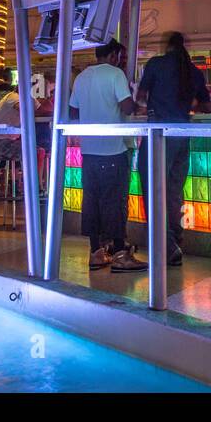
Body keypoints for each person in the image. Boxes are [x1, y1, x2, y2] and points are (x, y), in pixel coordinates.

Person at [71, 40, 146, 273]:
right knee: (114, 203)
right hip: (113, 149)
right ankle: (121, 254)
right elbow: (126, 108)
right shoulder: (115, 75)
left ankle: (96, 252)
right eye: (120, 57)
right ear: (114, 55)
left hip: (89, 151)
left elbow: (73, 110)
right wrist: (136, 101)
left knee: (92, 201)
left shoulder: (81, 77)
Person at [136, 31, 209, 266]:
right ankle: (177, 240)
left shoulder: (155, 65)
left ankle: (165, 247)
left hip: (158, 135)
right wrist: (189, 106)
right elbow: (206, 105)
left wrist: (150, 106)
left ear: (167, 46)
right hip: (182, 135)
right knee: (174, 191)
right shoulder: (193, 71)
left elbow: (140, 97)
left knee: (153, 190)